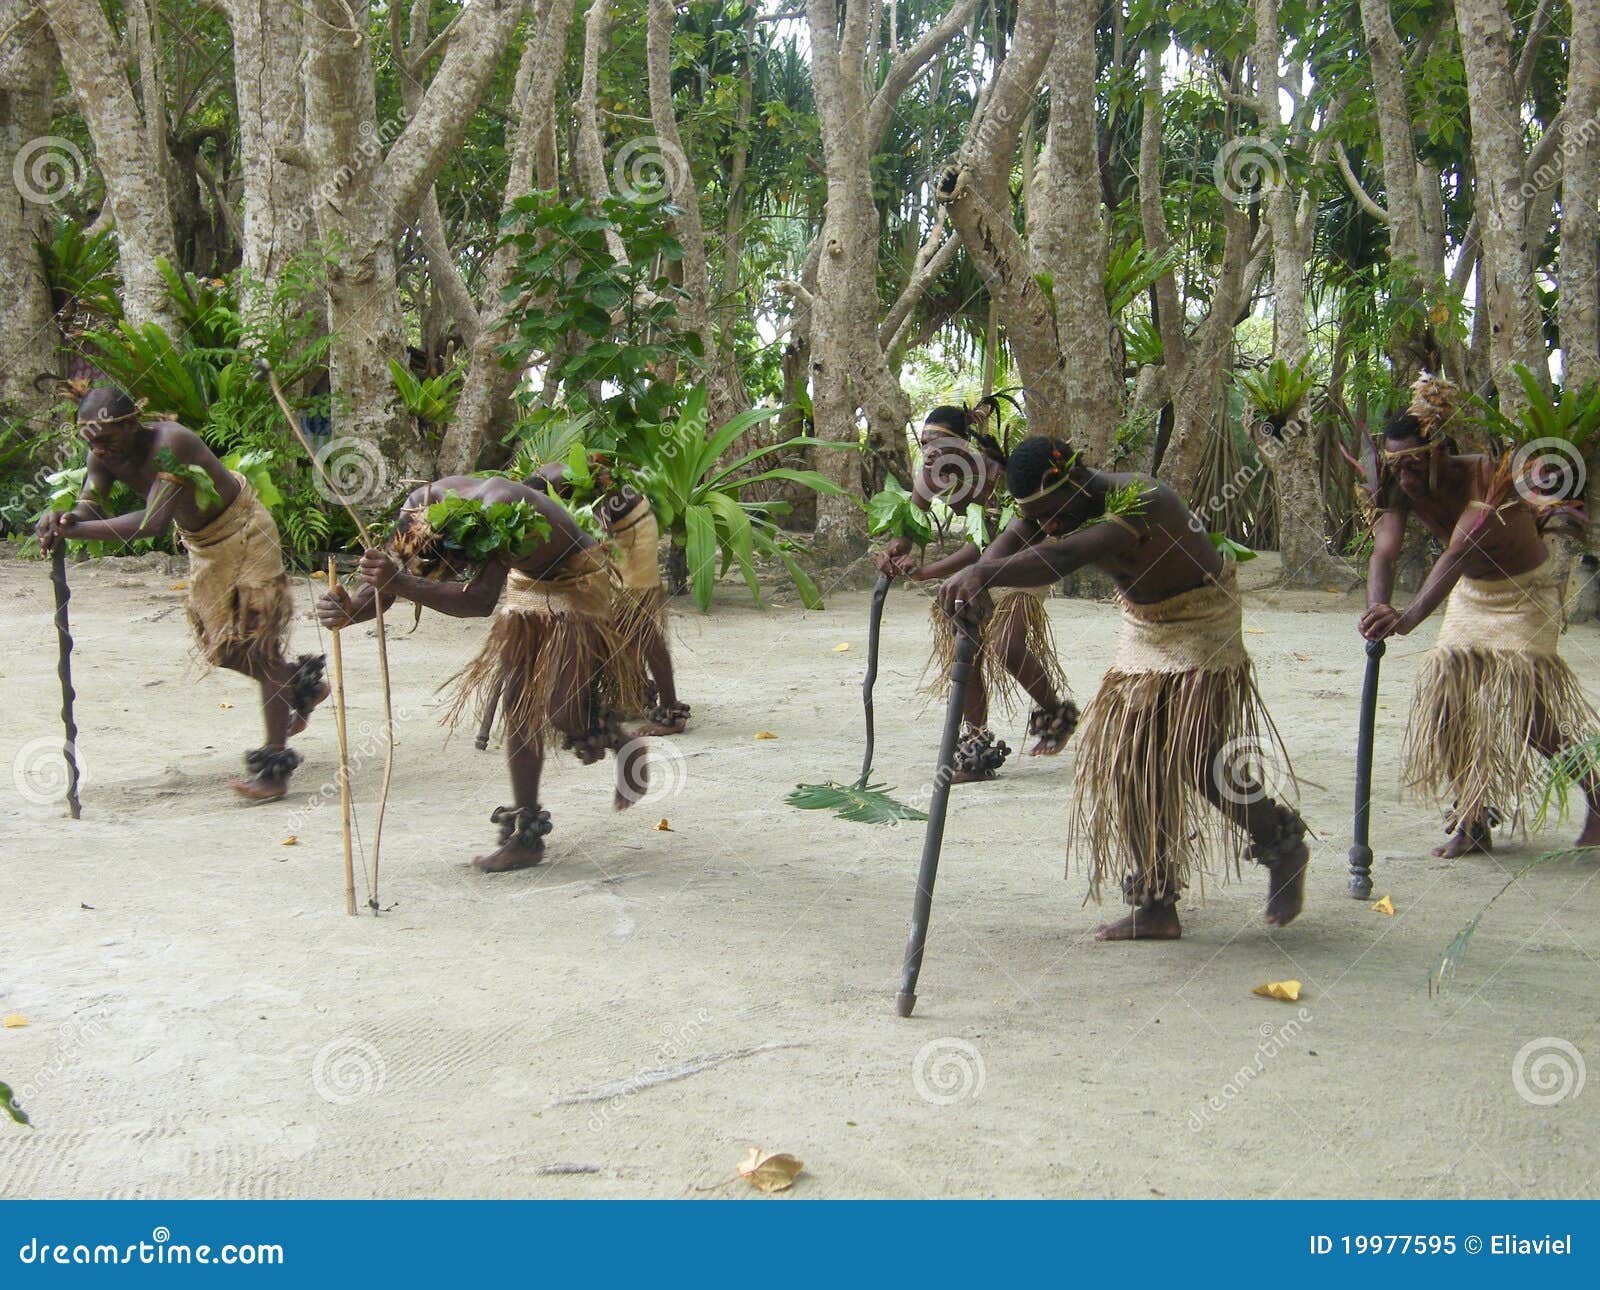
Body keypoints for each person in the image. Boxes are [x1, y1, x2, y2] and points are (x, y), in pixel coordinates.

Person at [938, 436, 1309, 939]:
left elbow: (1062, 557)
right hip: (1143, 626)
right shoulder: (1050, 507)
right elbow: (1009, 548)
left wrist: (981, 572)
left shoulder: (1140, 500)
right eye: (1036, 518)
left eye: (1049, 514)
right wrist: (974, 581)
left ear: (1068, 482)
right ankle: (1156, 904)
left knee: (1200, 760)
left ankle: (1282, 843)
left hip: (1201, 618)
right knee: (1129, 759)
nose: (1045, 525)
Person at [315, 475, 647, 873]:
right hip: (528, 582)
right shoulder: (418, 510)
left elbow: (478, 600)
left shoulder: (496, 509)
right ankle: (525, 836)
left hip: (579, 579)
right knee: (519, 705)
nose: (452, 570)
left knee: (562, 711)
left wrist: (400, 581)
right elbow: (387, 587)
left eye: (450, 566)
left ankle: (621, 742)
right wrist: (349, 611)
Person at [36, 386, 325, 801]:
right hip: (203, 545)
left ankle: (274, 769)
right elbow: (90, 504)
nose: (101, 450)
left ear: (132, 424)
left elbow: (152, 523)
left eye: (108, 440)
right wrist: (64, 517)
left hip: (245, 531)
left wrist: (78, 530)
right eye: (92, 441)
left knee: (261, 649)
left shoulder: (172, 444)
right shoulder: (100, 453)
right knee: (221, 649)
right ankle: (299, 685)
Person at [1359, 375, 1600, 857]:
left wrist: (1406, 618)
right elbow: (1384, 553)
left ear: (1440, 451)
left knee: (1531, 718)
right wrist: (1375, 610)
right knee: (1448, 701)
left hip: (1525, 593)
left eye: (1414, 464)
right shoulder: (1399, 484)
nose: (1405, 477)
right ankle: (1473, 818)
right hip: (1472, 593)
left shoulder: (1486, 478)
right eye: (1396, 465)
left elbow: (1455, 553)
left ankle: (1598, 796)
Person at [876, 401, 1077, 783]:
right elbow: (912, 525)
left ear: (961, 443)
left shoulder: (994, 472)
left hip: (1021, 561)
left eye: (938, 442)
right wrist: (896, 547)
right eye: (924, 442)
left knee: (1007, 646)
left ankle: (1056, 712)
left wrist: (927, 572)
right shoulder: (930, 475)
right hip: (976, 571)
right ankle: (976, 749)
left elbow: (984, 546)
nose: (930, 451)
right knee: (964, 652)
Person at [527, 461, 688, 736]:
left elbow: (593, 537)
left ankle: (670, 710)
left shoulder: (588, 496)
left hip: (635, 535)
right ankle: (635, 691)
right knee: (613, 622)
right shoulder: (546, 483)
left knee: (641, 626)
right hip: (618, 534)